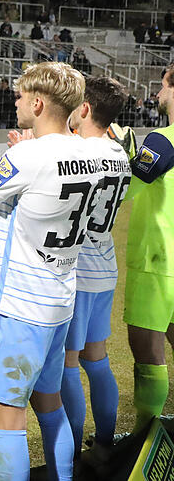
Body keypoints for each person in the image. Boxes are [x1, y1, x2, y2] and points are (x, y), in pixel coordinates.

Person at [0, 62, 105, 481]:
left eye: (19, 96)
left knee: (6, 418)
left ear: (37, 102)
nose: (15, 102)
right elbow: (26, 190)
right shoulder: (89, 152)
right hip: (59, 299)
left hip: (21, 305)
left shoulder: (29, 154)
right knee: (48, 401)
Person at [57, 76, 133, 459]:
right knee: (97, 358)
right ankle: (105, 442)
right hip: (105, 266)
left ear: (84, 109)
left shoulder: (77, 153)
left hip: (80, 269)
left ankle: (70, 452)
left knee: (69, 363)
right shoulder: (121, 154)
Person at [123, 62, 174, 433]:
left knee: (148, 354)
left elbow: (127, 189)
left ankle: (146, 438)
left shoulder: (161, 140)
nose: (157, 95)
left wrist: (124, 156)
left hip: (156, 261)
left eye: (163, 86)